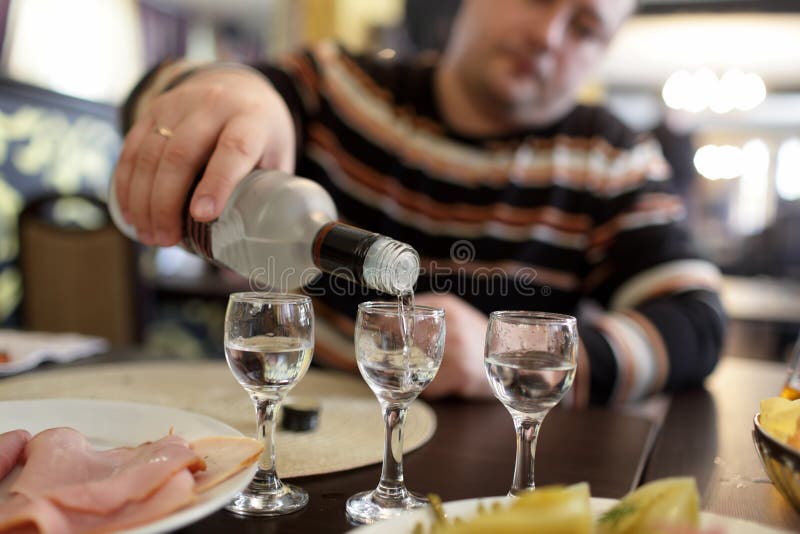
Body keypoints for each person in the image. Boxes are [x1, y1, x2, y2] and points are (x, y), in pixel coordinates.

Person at [112, 0, 726, 406]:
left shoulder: (610, 158)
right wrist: (234, 92)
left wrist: (505, 354)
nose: (547, 35)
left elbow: (696, 323)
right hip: (291, 425)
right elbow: (165, 92)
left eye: (586, 27)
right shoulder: (340, 89)